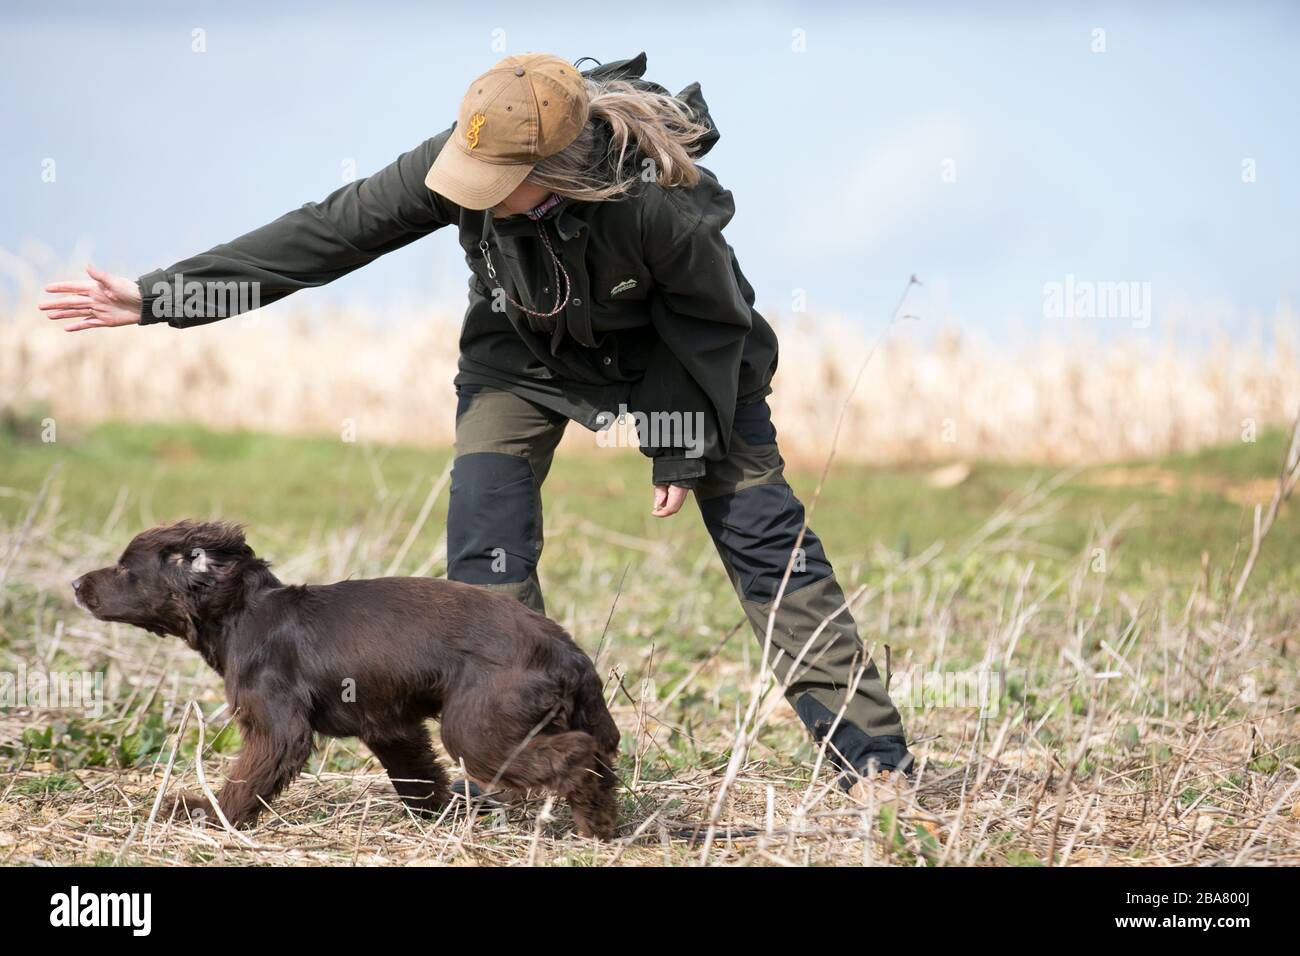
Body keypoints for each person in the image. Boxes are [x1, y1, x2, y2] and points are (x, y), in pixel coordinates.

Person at [39, 52, 913, 797]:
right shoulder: (461, 154)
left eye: (498, 187)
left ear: (562, 169)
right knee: (485, 560)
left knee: (769, 543)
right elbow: (326, 235)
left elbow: (714, 324)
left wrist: (680, 443)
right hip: (519, 362)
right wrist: (165, 296)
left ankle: (871, 768)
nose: (474, 193)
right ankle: (524, 765)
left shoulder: (660, 207)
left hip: (686, 369)